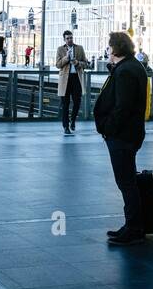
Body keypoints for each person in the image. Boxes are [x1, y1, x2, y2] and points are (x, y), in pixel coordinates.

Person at [94, 30, 147, 246]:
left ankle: (134, 228)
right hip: (128, 134)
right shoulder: (131, 67)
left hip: (122, 135)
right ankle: (132, 225)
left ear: (116, 48)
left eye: (109, 46)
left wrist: (109, 128)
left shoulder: (126, 71)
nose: (107, 50)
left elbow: (122, 106)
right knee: (127, 181)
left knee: (125, 182)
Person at [55, 29, 88, 135]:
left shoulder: (79, 48)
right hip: (65, 79)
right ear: (64, 39)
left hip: (76, 78)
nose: (70, 40)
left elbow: (86, 63)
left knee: (77, 102)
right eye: (68, 38)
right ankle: (66, 126)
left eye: (71, 37)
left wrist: (77, 62)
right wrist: (66, 58)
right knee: (65, 104)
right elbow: (58, 65)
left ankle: (73, 120)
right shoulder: (60, 49)